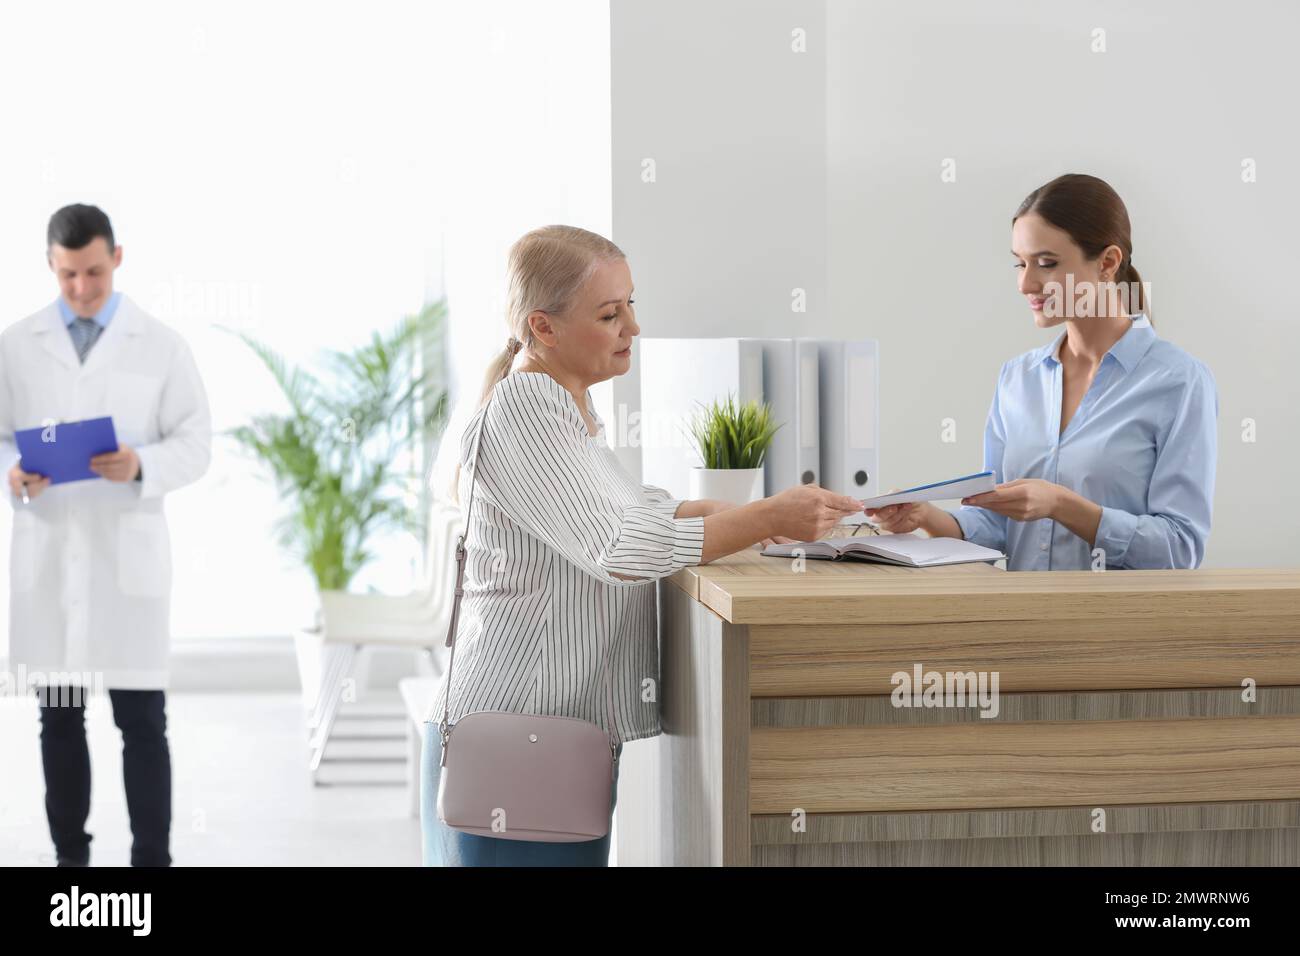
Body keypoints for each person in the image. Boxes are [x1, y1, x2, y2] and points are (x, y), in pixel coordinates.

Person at [421, 224, 862, 865]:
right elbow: (619, 548)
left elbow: (615, 509)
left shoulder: (566, 405)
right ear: (543, 327)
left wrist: (701, 509)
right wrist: (766, 512)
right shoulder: (527, 408)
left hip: (553, 737)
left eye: (631, 304)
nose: (632, 327)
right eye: (609, 313)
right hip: (518, 743)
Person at [0, 204, 212, 866]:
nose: (83, 289)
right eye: (68, 276)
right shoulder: (14, 345)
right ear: (49, 266)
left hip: (128, 562)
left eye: (94, 271)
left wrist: (141, 464)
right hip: (50, 557)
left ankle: (152, 861)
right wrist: (11, 471)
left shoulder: (162, 345)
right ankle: (72, 863)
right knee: (58, 720)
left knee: (141, 724)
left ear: (117, 257)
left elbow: (197, 442)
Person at [868, 174, 1217, 571]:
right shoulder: (1017, 378)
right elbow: (998, 525)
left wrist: (1062, 505)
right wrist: (927, 517)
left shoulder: (1179, 382)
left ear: (1107, 263)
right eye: (1020, 263)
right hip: (1024, 623)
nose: (1025, 283)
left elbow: (1180, 548)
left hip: (1119, 627)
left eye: (1046, 264)